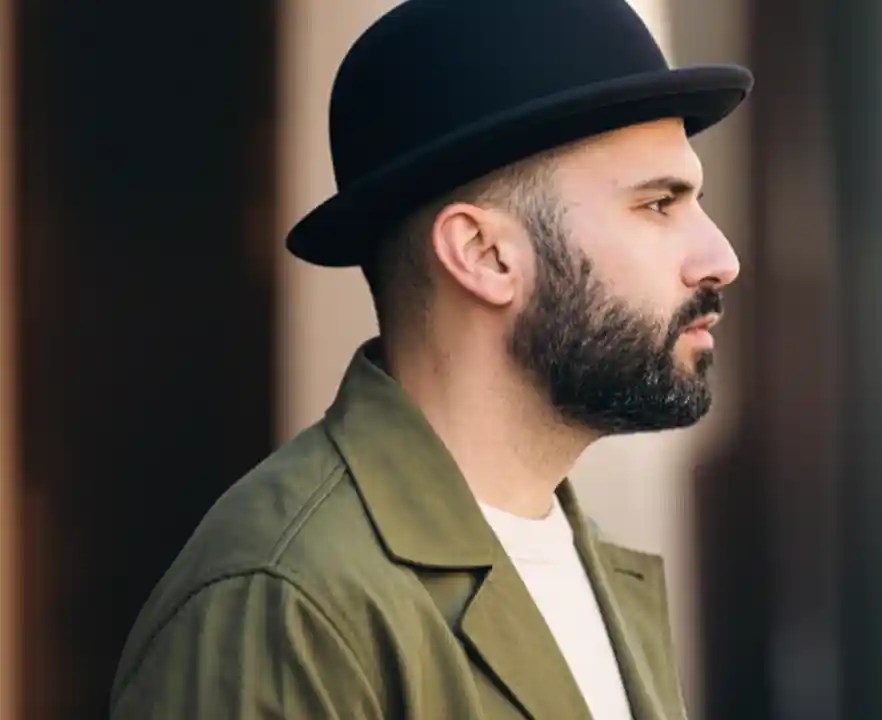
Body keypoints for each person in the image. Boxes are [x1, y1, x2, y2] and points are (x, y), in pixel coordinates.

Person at [109, 0, 751, 717]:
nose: (720, 258)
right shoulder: (289, 603)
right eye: (659, 204)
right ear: (483, 254)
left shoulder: (589, 567)